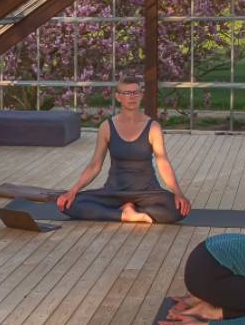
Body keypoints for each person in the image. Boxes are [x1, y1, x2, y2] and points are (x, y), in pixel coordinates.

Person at [56, 77, 191, 224]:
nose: (132, 97)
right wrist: (73, 191)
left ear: (141, 95)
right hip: (114, 192)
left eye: (135, 92)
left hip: (147, 193)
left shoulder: (153, 127)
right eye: (127, 93)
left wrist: (178, 193)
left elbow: (162, 162)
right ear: (118, 96)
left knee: (178, 210)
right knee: (69, 205)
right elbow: (95, 165)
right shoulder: (106, 127)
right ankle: (128, 215)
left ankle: (126, 210)